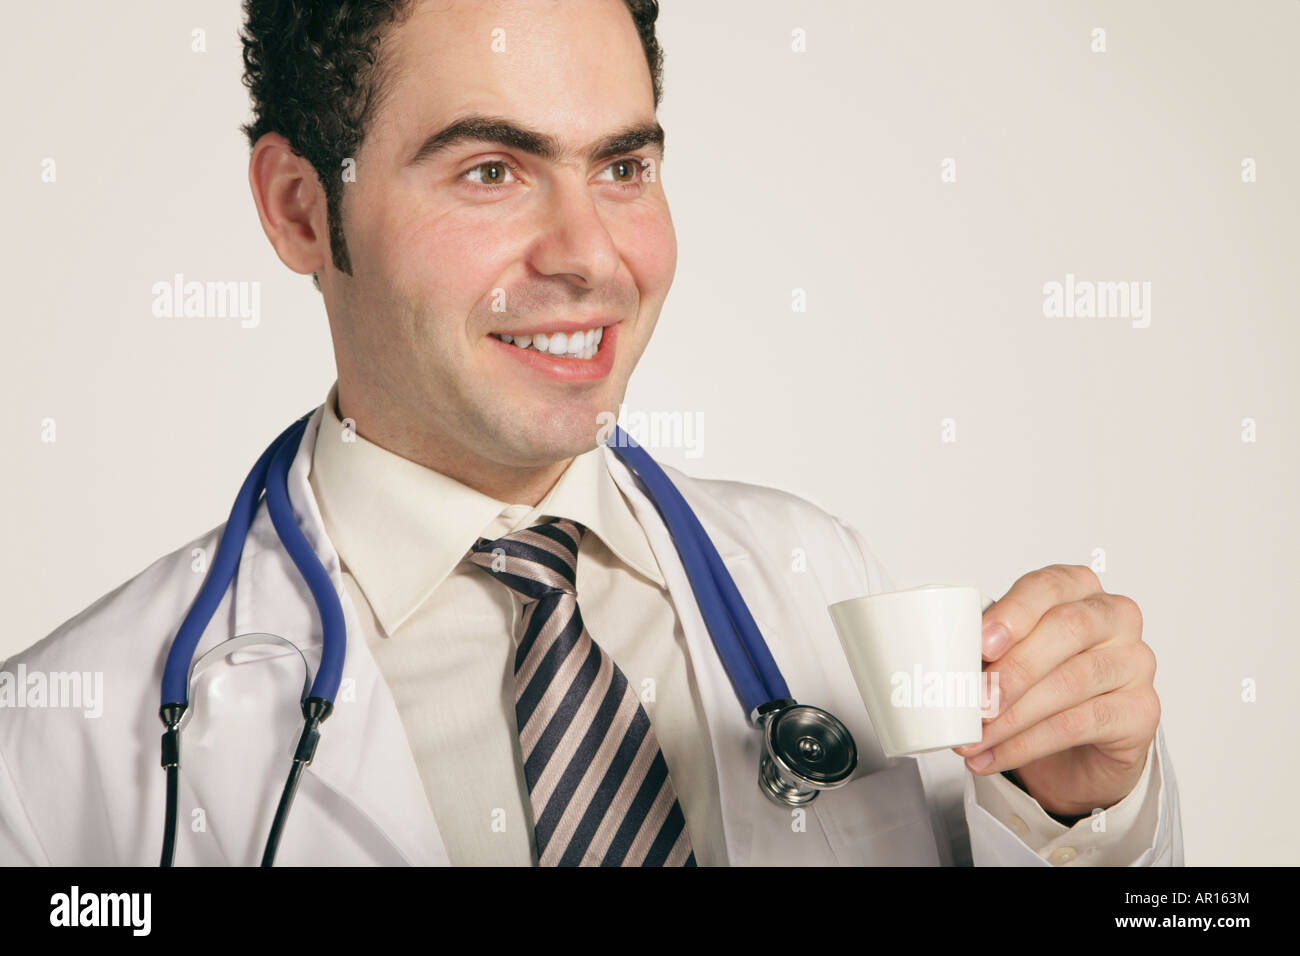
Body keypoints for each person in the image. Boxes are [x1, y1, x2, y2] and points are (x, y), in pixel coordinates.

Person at [0, 0, 1182, 866]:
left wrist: (1082, 818)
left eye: (622, 163)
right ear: (302, 208)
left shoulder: (813, 580)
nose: (587, 254)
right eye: (491, 169)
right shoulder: (55, 747)